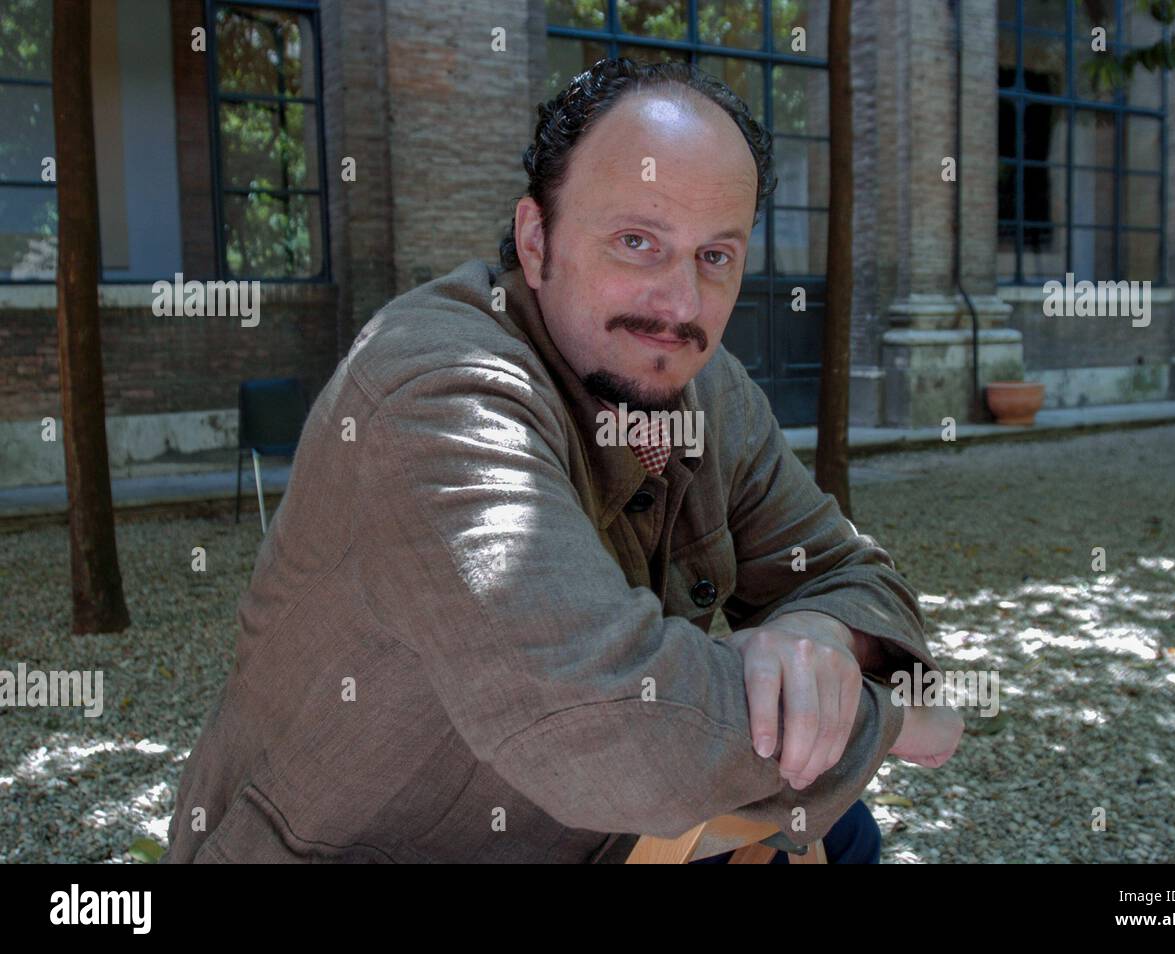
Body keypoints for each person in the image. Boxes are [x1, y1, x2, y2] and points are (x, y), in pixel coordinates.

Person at [162, 57, 962, 865]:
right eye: (637, 241)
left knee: (843, 839)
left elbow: (851, 574)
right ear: (536, 243)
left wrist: (817, 636)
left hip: (591, 834)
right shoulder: (435, 394)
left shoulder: (701, 386)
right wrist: (882, 718)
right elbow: (609, 728)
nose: (682, 305)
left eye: (715, 256)